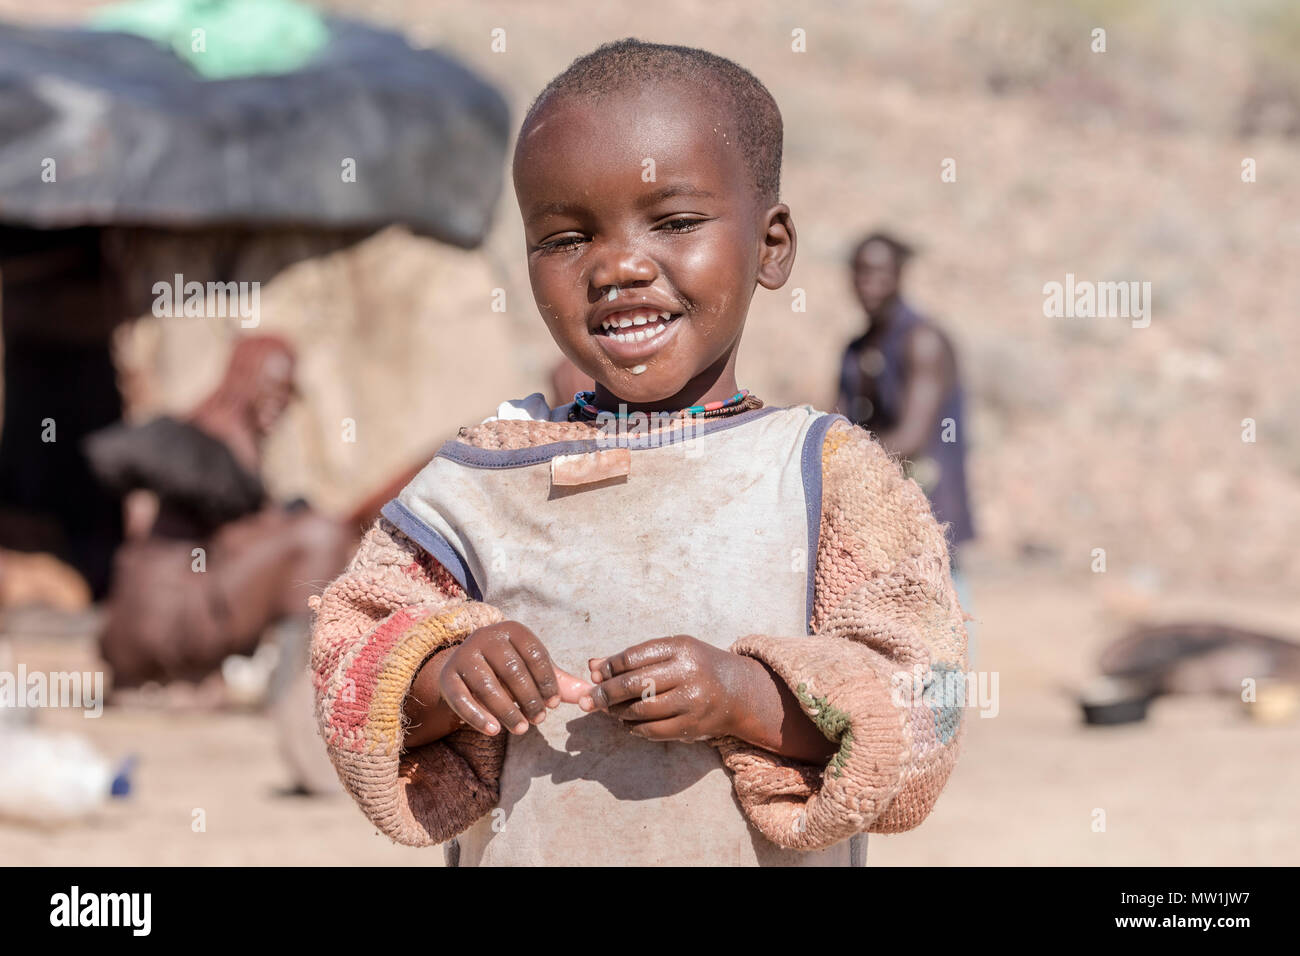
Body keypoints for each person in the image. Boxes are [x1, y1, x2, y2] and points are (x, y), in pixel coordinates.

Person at [309, 39, 968, 866]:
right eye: (566, 237)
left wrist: (747, 698)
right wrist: (445, 678)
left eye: (677, 222)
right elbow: (347, 671)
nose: (617, 265)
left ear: (770, 247)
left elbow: (922, 707)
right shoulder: (478, 485)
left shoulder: (825, 476)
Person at [87, 334, 355, 789]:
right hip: (167, 624)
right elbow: (232, 544)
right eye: (270, 390)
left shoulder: (216, 437)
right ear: (244, 380)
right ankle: (304, 702)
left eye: (285, 393)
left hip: (137, 636)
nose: (278, 403)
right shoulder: (219, 440)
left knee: (313, 528)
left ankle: (205, 678)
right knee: (321, 536)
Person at [836, 232, 977, 661]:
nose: (868, 283)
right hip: (879, 511)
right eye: (860, 273)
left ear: (899, 276)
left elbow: (912, 438)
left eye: (879, 272)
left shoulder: (923, 341)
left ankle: (950, 708)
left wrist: (841, 461)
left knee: (944, 621)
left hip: (930, 507)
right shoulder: (856, 349)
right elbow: (838, 424)